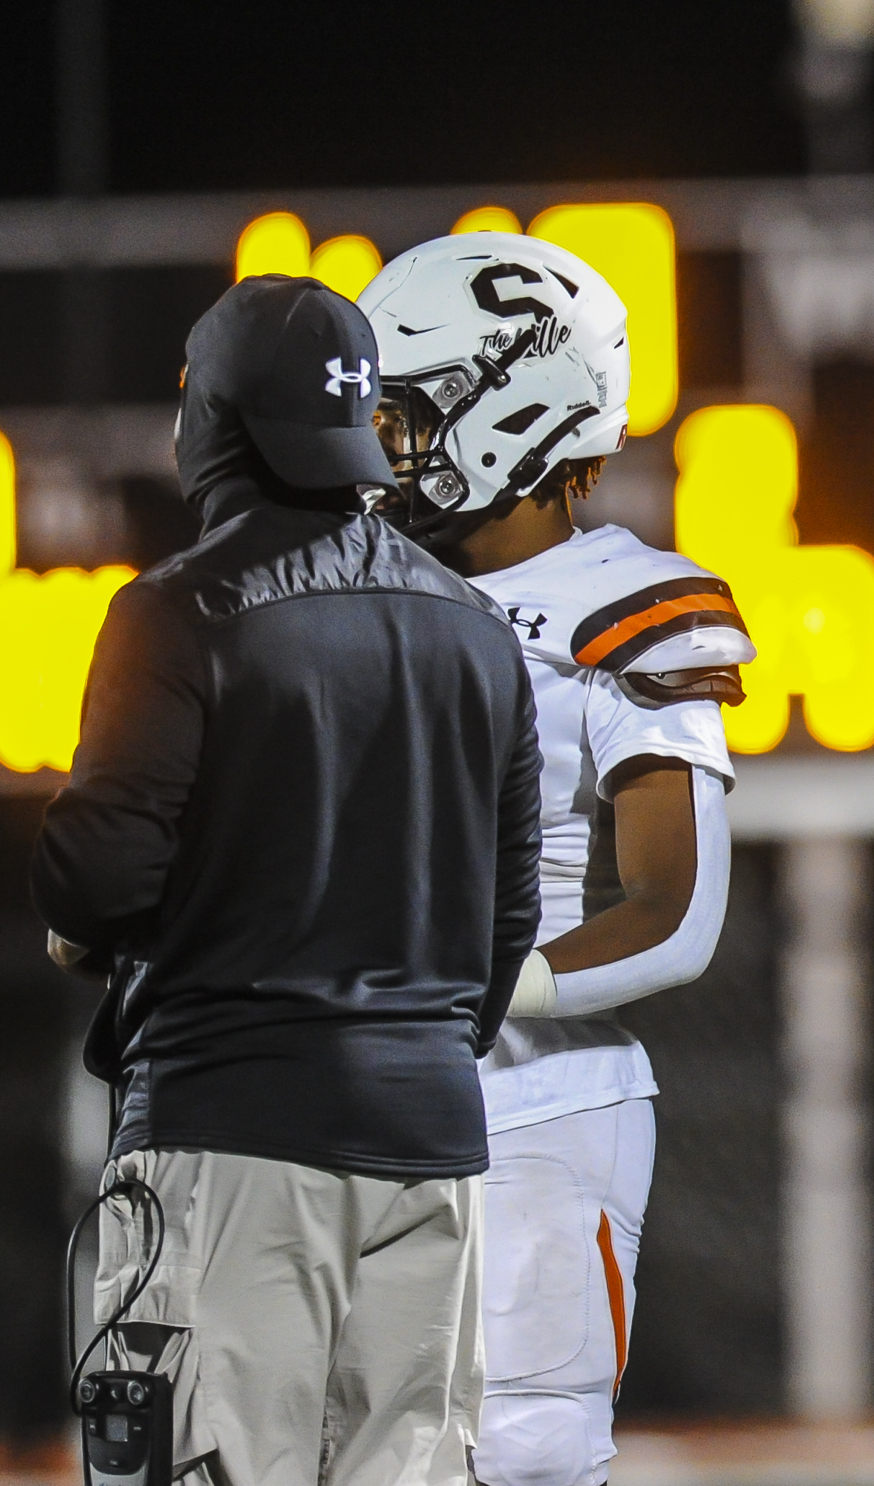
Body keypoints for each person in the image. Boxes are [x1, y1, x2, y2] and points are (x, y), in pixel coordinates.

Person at [32, 276, 544, 1486]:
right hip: (432, 1149)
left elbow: (91, 880)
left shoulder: (178, 611)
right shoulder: (474, 624)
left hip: (233, 1142)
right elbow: (503, 919)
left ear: (214, 421)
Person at [359, 233, 752, 1486]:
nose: (388, 443)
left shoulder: (626, 599)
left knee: (521, 1461)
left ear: (515, 403)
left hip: (532, 1105)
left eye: (414, 411)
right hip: (345, 1097)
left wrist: (469, 993)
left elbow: (673, 915)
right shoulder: (346, 580)